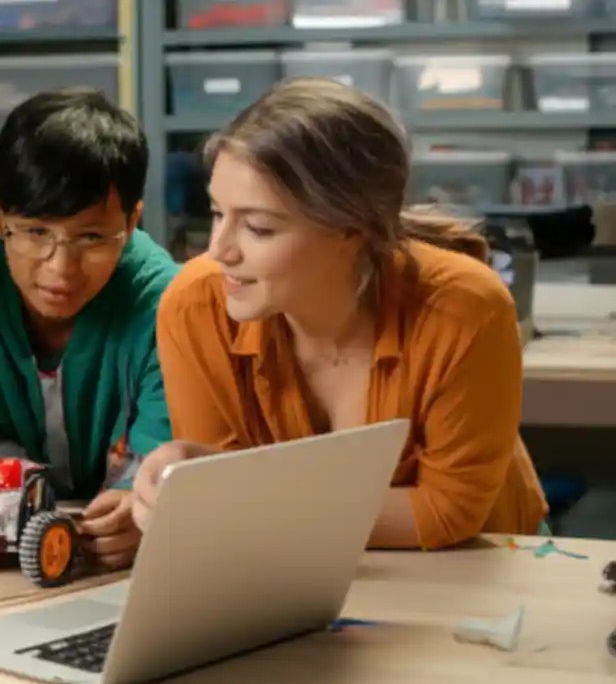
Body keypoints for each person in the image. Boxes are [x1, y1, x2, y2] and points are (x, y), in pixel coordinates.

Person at [132, 77, 548, 550]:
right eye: (216, 213)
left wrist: (239, 501)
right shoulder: (196, 305)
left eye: (259, 228)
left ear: (351, 229)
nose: (219, 250)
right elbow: (227, 494)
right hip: (298, 562)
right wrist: (189, 473)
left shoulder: (465, 308)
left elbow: (447, 511)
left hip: (483, 564)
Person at [0, 88, 180, 570]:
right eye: (36, 232)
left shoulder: (168, 303)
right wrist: (27, 499)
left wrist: (136, 506)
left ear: (132, 220)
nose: (61, 269)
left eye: (92, 237)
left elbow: (161, 460)